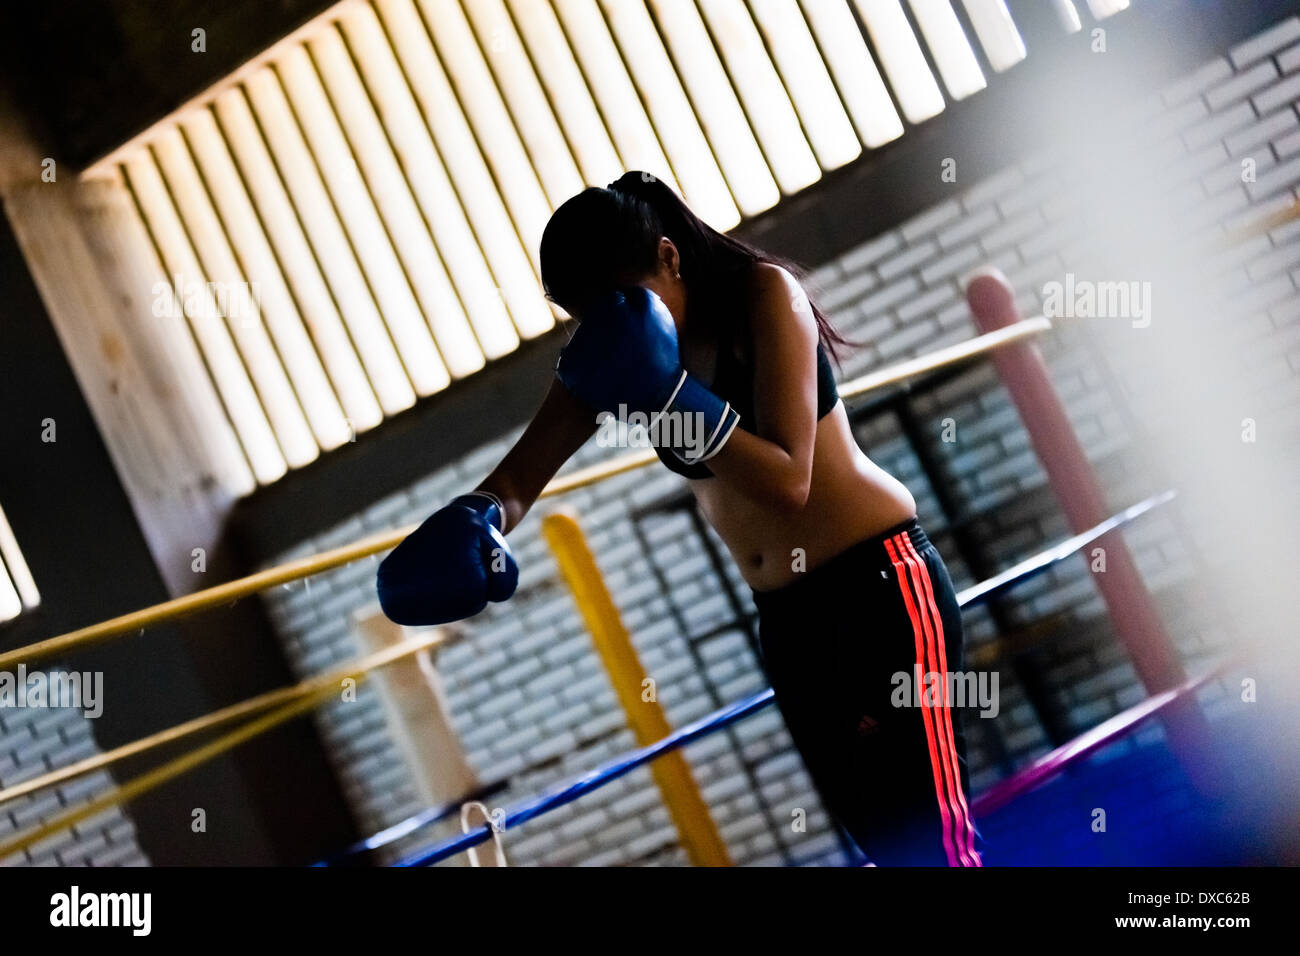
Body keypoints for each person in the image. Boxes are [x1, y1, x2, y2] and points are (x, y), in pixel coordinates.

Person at [377, 171, 984, 867]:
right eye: (585, 317)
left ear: (670, 257)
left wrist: (667, 394)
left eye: (619, 304)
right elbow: (518, 477)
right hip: (787, 620)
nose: (605, 328)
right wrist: (475, 519)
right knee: (882, 846)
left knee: (935, 845)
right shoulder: (611, 349)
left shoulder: (763, 297)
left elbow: (788, 479)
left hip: (877, 592)